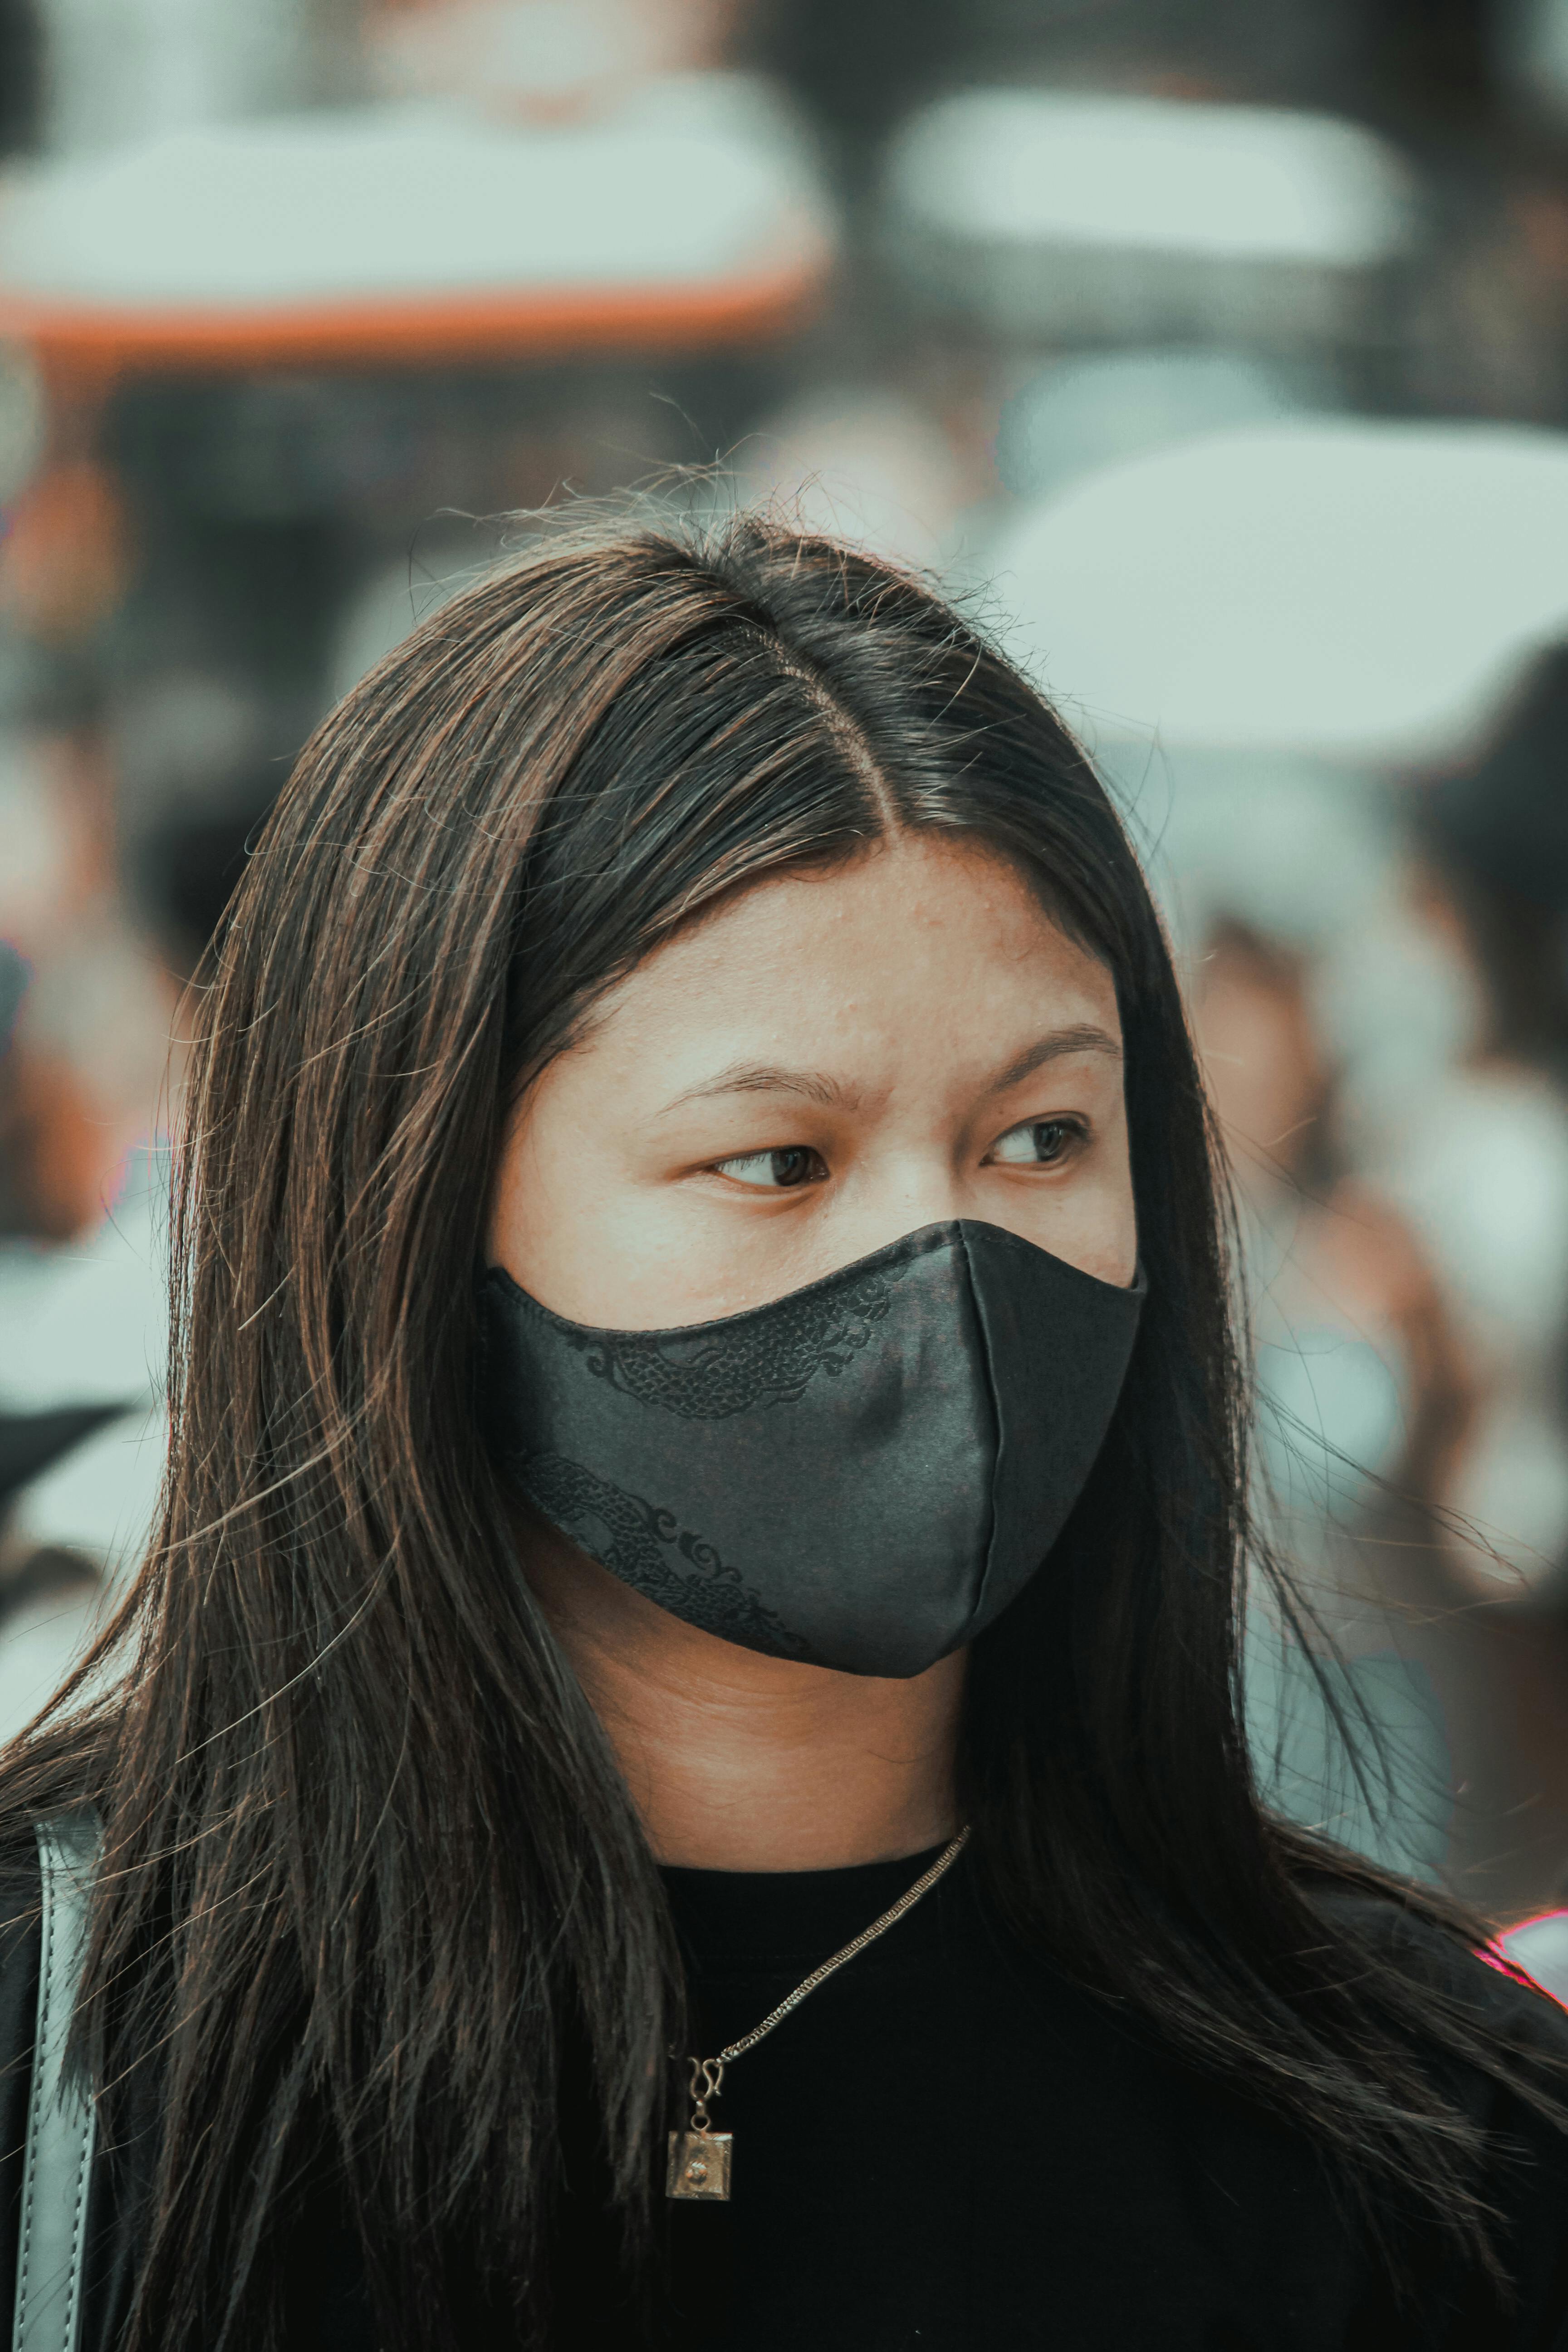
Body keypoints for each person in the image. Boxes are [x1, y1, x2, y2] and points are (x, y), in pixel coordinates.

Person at [0, 513, 1567, 2352]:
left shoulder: (1442, 2145)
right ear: (410, 1211)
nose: (944, 1269)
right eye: (778, 1159)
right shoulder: (69, 2070)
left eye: (1042, 1138)